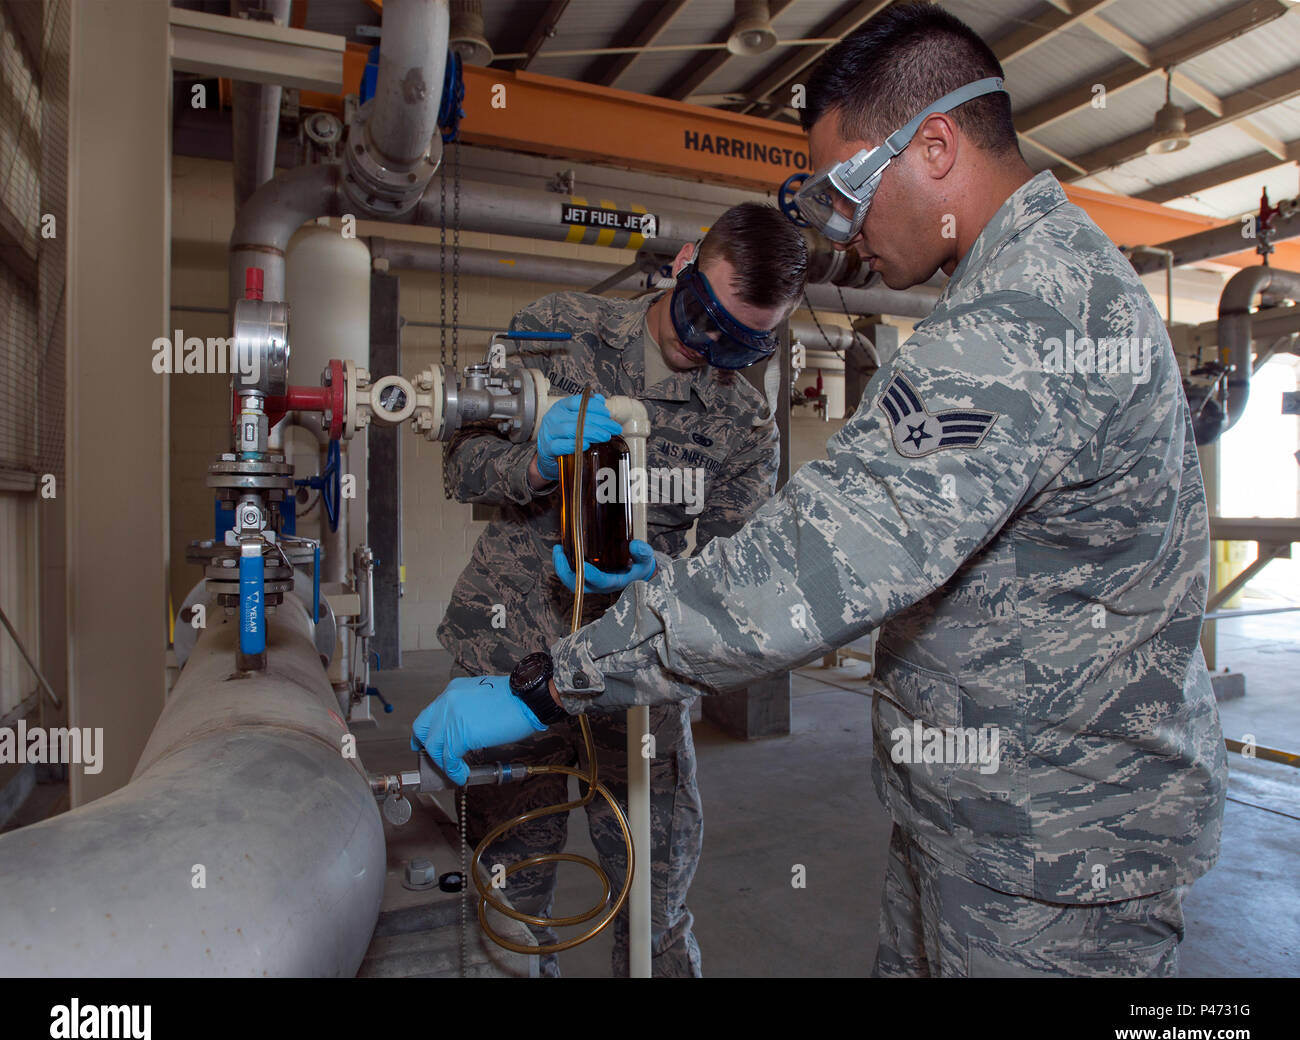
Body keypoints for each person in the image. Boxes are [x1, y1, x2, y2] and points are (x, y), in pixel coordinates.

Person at [415, 3, 1227, 977]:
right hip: (981, 825)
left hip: (1056, 851)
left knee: (656, 907)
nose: (842, 231)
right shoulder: (1012, 291)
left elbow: (811, 560)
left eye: (847, 190)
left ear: (934, 147)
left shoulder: (1029, 313)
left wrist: (551, 683)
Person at [432, 202, 809, 977]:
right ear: (684, 260)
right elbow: (459, 466)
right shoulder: (556, 330)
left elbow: (737, 574)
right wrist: (533, 464)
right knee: (509, 903)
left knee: (655, 905)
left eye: (737, 343)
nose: (703, 346)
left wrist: (663, 578)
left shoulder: (743, 420)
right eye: (702, 312)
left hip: (637, 676)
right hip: (515, 656)